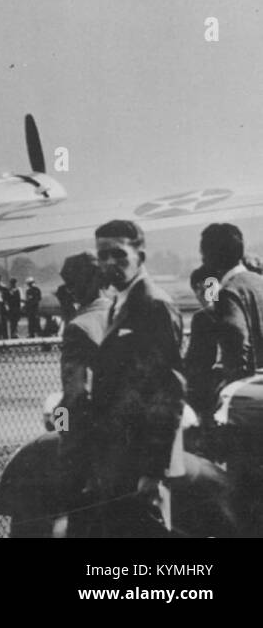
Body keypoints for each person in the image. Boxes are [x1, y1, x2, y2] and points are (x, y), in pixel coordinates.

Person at [86, 219, 185, 537]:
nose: (110, 263)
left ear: (140, 254)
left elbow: (167, 392)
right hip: (117, 455)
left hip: (140, 460)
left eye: (119, 254)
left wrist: (153, 472)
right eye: (103, 255)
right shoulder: (122, 301)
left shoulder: (153, 304)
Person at [55, 251, 110, 520]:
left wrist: (60, 426)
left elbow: (74, 394)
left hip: (89, 436)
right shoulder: (122, 312)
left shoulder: (78, 327)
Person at [199, 223, 263, 387]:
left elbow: (237, 341)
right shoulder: (258, 281)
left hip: (248, 387)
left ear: (212, 256)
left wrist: (230, 384)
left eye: (204, 253)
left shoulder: (228, 293)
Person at [183, 266, 222, 426]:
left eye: (203, 288)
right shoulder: (236, 310)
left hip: (208, 386)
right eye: (196, 289)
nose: (199, 294)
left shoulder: (202, 317)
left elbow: (195, 358)